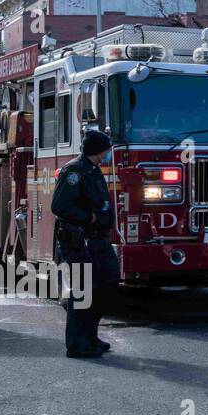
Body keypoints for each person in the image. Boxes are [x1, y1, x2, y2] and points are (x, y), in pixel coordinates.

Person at [51, 130, 119, 359]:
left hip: (97, 239)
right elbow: (59, 207)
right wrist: (88, 217)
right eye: (106, 149)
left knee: (107, 282)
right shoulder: (74, 171)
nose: (109, 153)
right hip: (78, 240)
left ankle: (90, 337)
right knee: (83, 291)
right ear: (97, 150)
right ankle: (77, 344)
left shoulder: (93, 169)